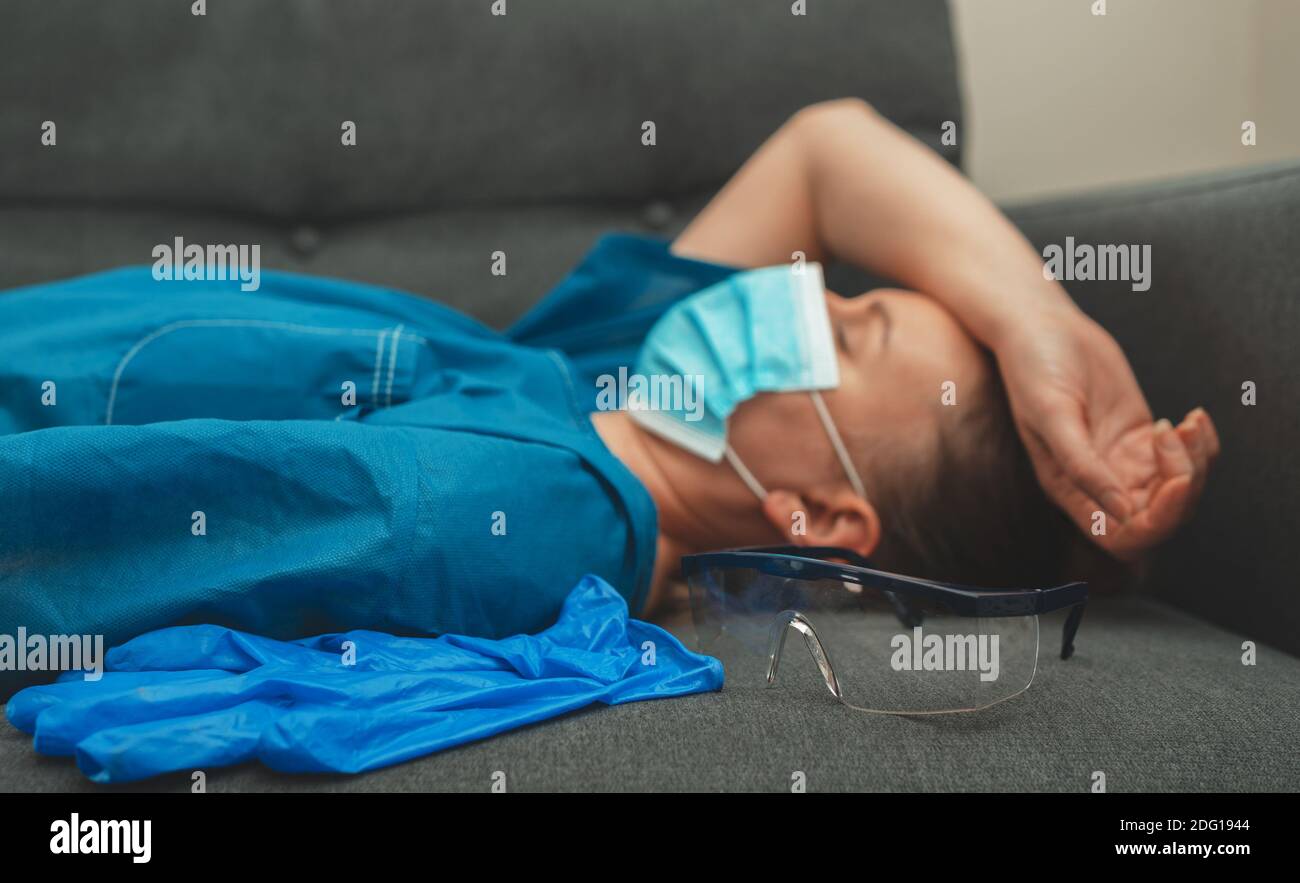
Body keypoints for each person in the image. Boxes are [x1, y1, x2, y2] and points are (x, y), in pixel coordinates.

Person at [0, 100, 1215, 694]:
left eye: (847, 326)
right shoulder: (606, 379)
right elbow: (829, 149)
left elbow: (106, 532)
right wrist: (1040, 322)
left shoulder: (529, 501)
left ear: (817, 511)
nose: (795, 285)